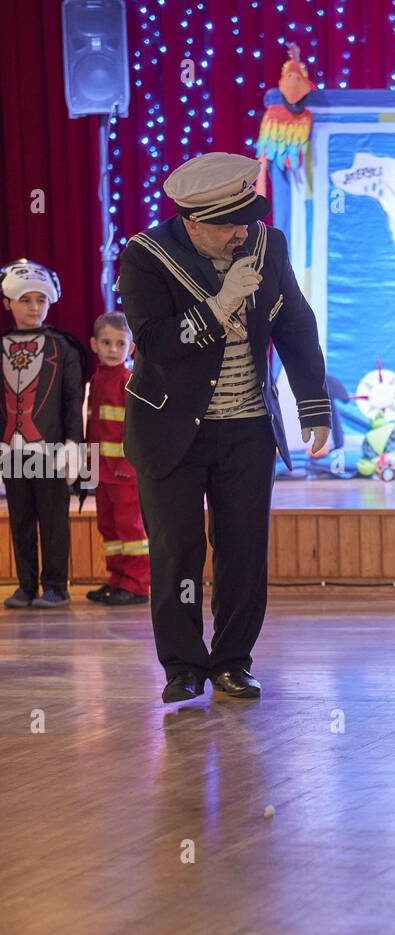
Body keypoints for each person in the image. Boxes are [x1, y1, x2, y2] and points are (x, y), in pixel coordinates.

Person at [118, 152, 332, 702]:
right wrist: (217, 307)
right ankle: (183, 666)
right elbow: (158, 343)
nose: (243, 233)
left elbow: (294, 321)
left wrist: (313, 403)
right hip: (170, 429)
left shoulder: (267, 243)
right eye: (230, 225)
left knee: (242, 551)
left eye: (247, 219)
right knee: (178, 550)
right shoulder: (146, 256)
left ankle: (233, 661)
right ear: (194, 222)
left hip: (247, 429)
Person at [1, 260, 84, 609]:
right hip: (11, 450)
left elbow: (72, 399)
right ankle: (26, 585)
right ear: (8, 303)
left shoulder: (63, 347)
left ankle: (55, 586)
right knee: (20, 517)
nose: (33, 307)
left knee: (53, 519)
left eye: (40, 300)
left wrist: (73, 445)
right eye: (25, 300)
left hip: (50, 448)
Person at [84, 311, 149, 606]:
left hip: (124, 474)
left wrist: (128, 464)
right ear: (94, 344)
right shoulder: (96, 379)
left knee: (130, 528)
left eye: (120, 344)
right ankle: (117, 579)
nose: (113, 349)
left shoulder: (129, 380)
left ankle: (136, 584)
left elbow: (138, 429)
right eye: (106, 342)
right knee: (108, 527)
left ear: (131, 348)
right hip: (100, 472)